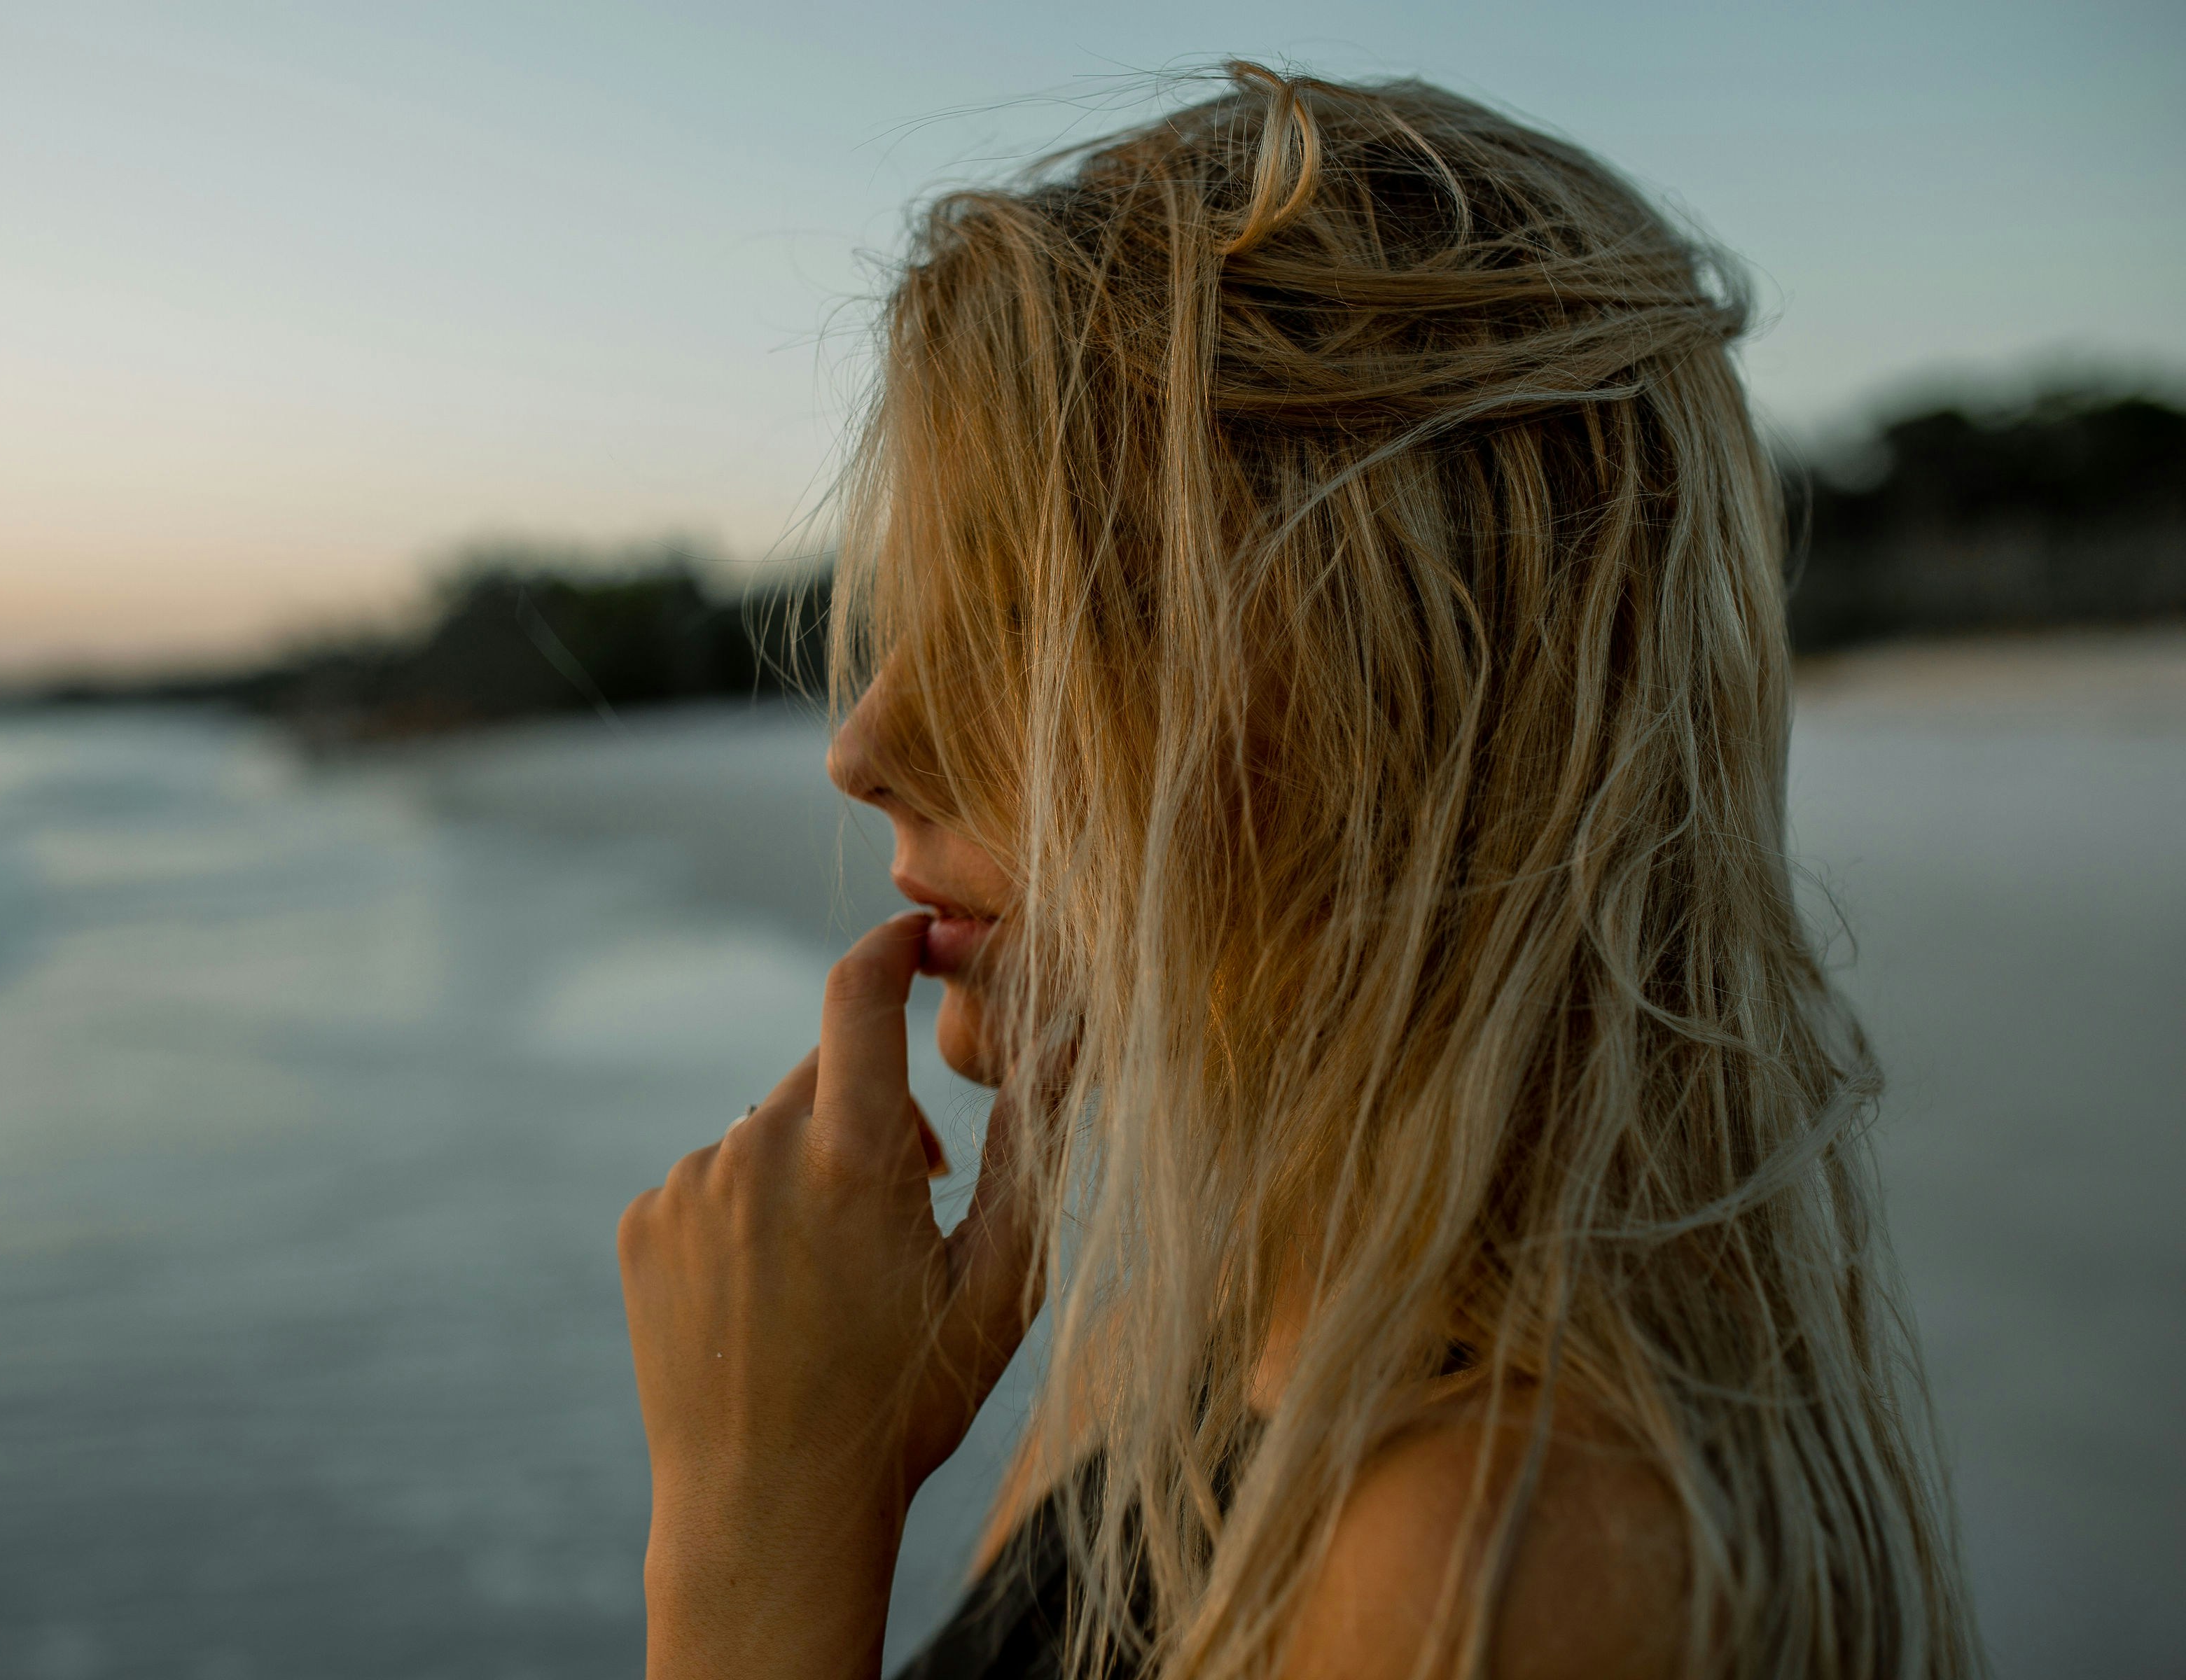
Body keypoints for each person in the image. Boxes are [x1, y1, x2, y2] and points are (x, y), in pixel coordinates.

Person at [615, 63, 1979, 1680]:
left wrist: (753, 1532)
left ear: (1400, 700)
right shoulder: (1176, 1340)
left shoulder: (1499, 1558)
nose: (868, 744)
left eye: (1031, 624)